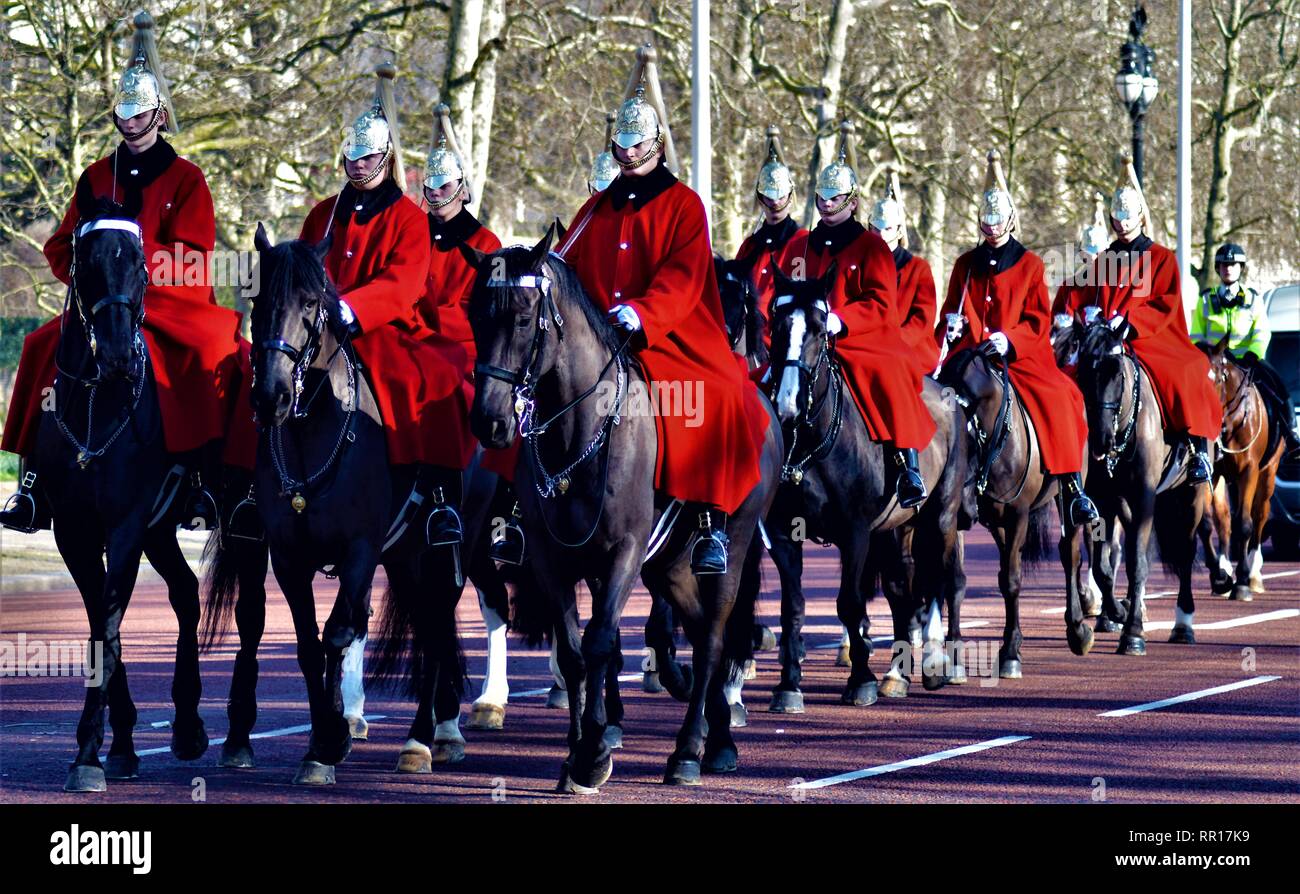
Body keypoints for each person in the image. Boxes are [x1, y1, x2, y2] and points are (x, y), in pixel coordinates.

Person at [2, 12, 241, 533]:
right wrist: (96, 278)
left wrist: (129, 266)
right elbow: (61, 244)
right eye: (124, 118)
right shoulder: (93, 175)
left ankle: (203, 479)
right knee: (40, 345)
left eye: (140, 118)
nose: (131, 127)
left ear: (159, 117)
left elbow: (196, 253)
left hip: (169, 301)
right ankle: (32, 483)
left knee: (211, 350)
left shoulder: (187, 178)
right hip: (105, 304)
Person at [556, 85, 769, 575]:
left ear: (656, 145)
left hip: (671, 335)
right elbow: (564, 264)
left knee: (711, 392)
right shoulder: (594, 210)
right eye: (622, 144)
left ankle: (710, 520)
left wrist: (643, 313)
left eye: (637, 144)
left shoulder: (684, 204)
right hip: (599, 336)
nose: (628, 153)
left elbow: (685, 277)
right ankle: (521, 511)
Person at [267, 63, 467, 544]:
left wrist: (354, 309)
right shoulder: (322, 212)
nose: (358, 165)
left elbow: (404, 282)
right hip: (318, 331)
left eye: (368, 157)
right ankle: (248, 491)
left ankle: (436, 495)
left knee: (428, 381)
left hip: (384, 329)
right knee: (265, 372)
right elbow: (300, 271)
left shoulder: (409, 218)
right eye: (352, 157)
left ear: (386, 157)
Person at [935, 150, 1099, 526]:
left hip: (1017, 358)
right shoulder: (965, 263)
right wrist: (952, 325)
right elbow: (951, 309)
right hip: (970, 356)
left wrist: (1010, 340)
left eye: (997, 221)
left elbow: (1038, 318)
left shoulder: (1030, 264)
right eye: (985, 221)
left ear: (1010, 221)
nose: (990, 227)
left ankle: (1072, 485)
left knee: (1064, 397)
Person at [780, 135, 934, 507]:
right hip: (809, 337)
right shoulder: (801, 245)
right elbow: (785, 291)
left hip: (859, 338)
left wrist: (841, 320)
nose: (827, 204)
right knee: (772, 378)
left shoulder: (872, 248)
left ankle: (906, 460)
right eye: (823, 197)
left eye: (835, 198)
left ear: (851, 202)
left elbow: (882, 304)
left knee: (891, 371)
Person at [1059, 156, 1222, 483]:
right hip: (1110, 339)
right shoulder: (1105, 258)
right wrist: (1088, 323)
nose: (1120, 223)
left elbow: (1166, 302)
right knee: (1075, 377)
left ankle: (1197, 449)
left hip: (1152, 338)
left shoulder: (1161, 257)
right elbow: (1089, 296)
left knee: (1188, 370)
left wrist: (1130, 321)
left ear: (1139, 218)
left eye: (1127, 217)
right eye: (1116, 217)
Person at [415, 104, 505, 547]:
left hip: (466, 352)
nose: (435, 193)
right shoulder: (414, 236)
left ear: (462, 190)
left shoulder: (487, 244)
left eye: (444, 185)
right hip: (413, 342)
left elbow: (482, 308)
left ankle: (470, 505)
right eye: (429, 186)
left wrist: (428, 318)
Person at [1194, 242, 1300, 458]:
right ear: (1218, 268)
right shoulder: (1205, 299)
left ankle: (1292, 434)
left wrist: (1254, 353)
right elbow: (1196, 334)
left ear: (1241, 268)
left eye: (1233, 265)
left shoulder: (1253, 299)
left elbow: (1262, 331)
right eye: (1223, 265)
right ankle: (1188, 446)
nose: (1228, 269)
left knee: (1277, 386)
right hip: (1215, 362)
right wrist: (1204, 354)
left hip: (1246, 360)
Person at [869, 169, 938, 378]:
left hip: (910, 350)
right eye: (876, 228)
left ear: (899, 231)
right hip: (869, 347)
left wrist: (896, 341)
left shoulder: (919, 268)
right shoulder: (862, 265)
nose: (880, 235)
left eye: (887, 229)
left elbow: (922, 318)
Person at [734, 125, 807, 311]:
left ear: (790, 197)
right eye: (769, 196)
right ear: (760, 198)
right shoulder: (749, 246)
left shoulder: (805, 242)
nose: (775, 203)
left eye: (781, 196)